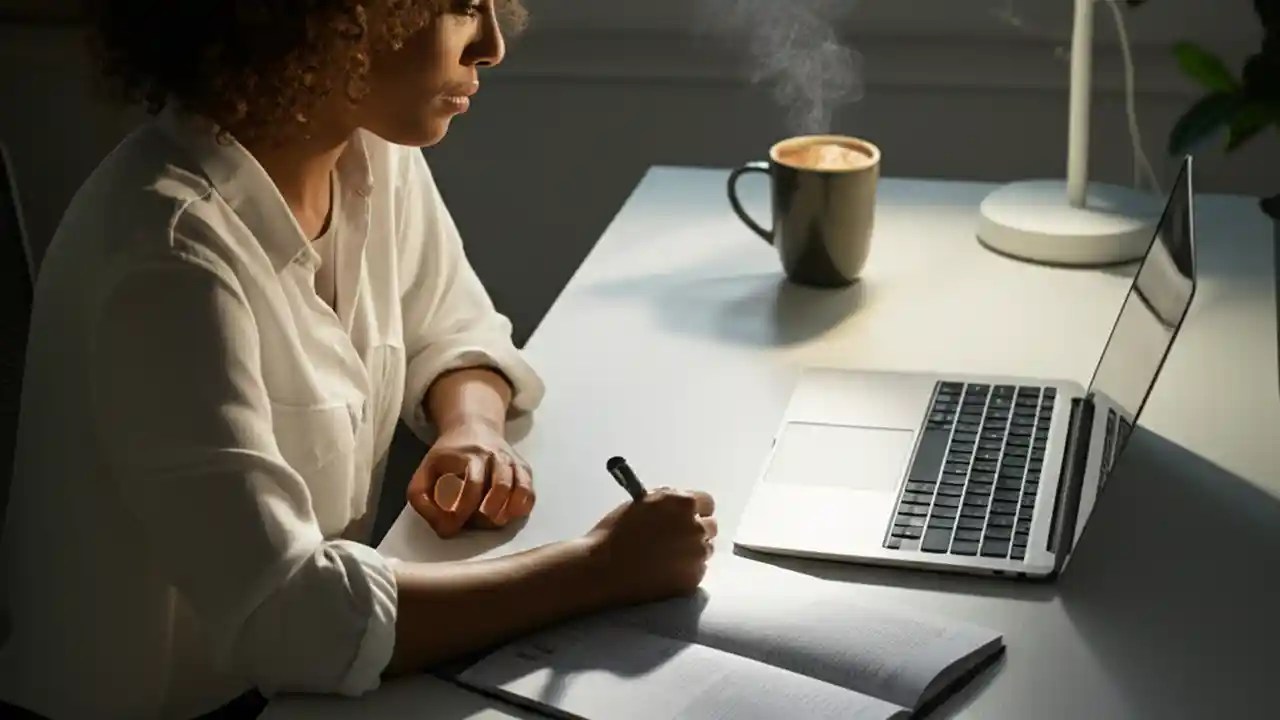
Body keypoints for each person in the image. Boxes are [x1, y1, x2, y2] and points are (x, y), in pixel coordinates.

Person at [0, 2, 718, 718]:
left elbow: (452, 325)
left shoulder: (367, 152)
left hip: (303, 689)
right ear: (329, 17)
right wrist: (598, 569)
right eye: (463, 7)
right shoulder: (167, 256)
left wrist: (471, 426)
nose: (493, 46)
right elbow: (292, 616)